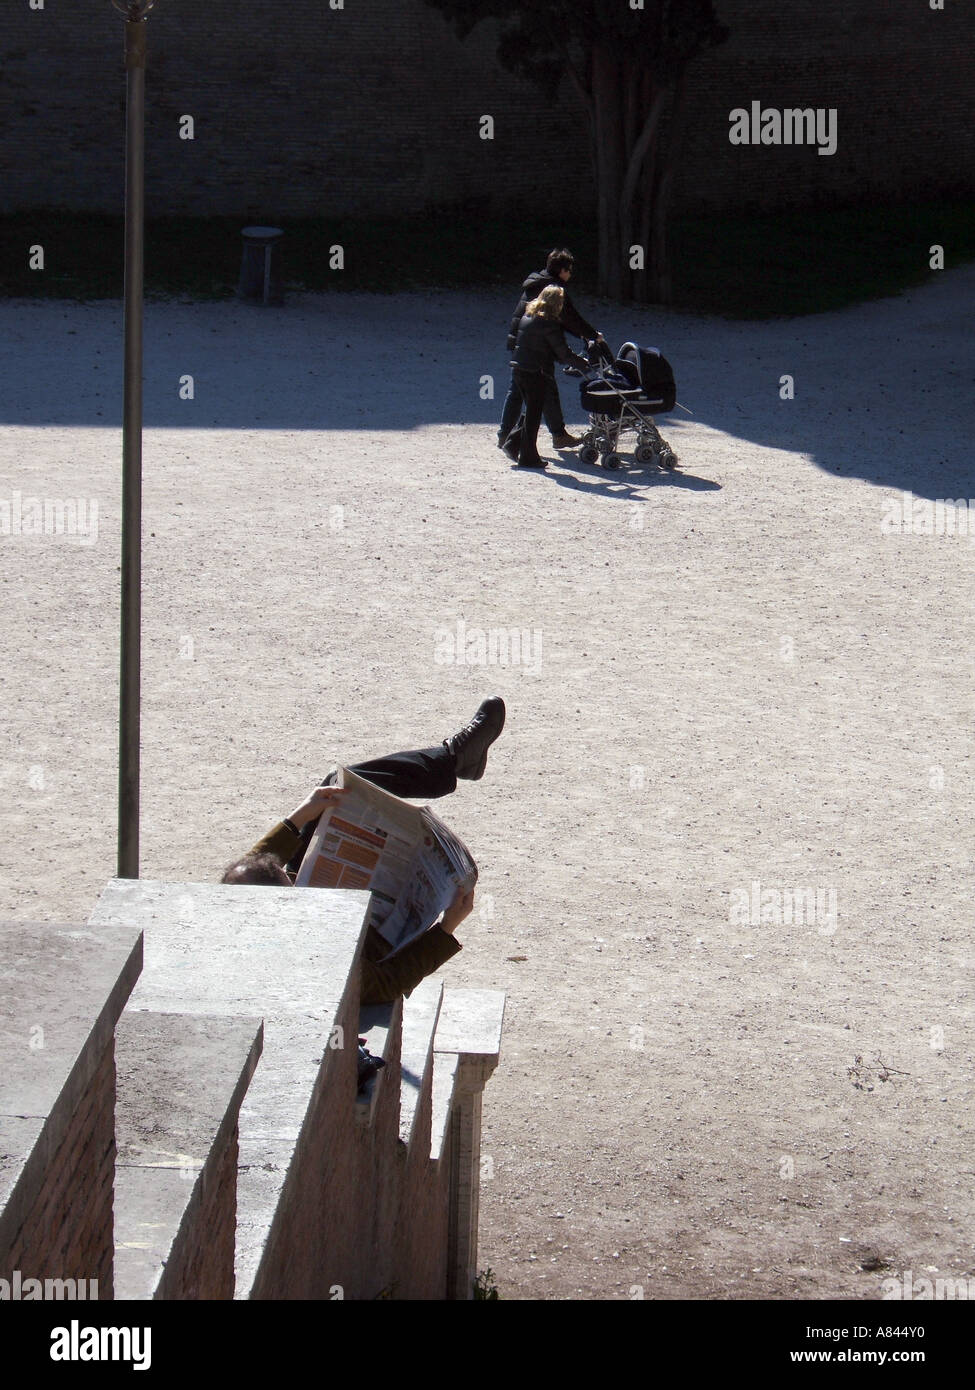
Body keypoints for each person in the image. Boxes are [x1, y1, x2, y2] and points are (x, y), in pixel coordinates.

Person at [220, 697, 506, 1005]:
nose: (294, 877)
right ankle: (453, 758)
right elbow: (386, 984)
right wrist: (446, 929)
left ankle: (453, 757)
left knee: (338, 788)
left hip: (314, 906)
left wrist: (300, 814)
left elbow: (249, 869)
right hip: (373, 931)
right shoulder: (315, 956)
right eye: (290, 882)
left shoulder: (234, 908)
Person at [498, 248, 603, 455]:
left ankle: (505, 435)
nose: (570, 274)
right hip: (538, 350)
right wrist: (592, 336)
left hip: (522, 343)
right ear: (562, 270)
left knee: (516, 391)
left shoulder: (535, 283)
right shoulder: (554, 289)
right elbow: (570, 319)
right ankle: (558, 435)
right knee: (547, 391)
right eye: (569, 270)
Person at [506, 286, 590, 469]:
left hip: (519, 368)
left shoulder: (529, 316)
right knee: (534, 415)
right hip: (534, 372)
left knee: (530, 410)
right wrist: (583, 364)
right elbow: (562, 353)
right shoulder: (549, 323)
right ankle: (528, 456)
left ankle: (512, 443)